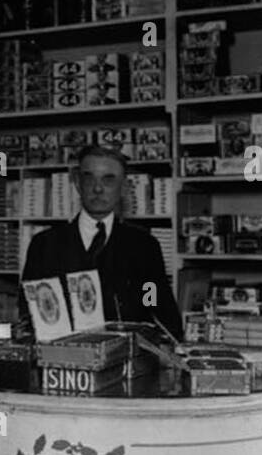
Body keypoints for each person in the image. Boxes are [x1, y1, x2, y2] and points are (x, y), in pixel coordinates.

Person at [20, 145, 183, 339]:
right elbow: (28, 312)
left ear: (123, 187)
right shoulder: (44, 245)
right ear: (77, 183)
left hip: (124, 357)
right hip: (62, 359)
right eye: (89, 178)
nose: (97, 188)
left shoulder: (144, 247)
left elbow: (154, 305)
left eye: (108, 179)